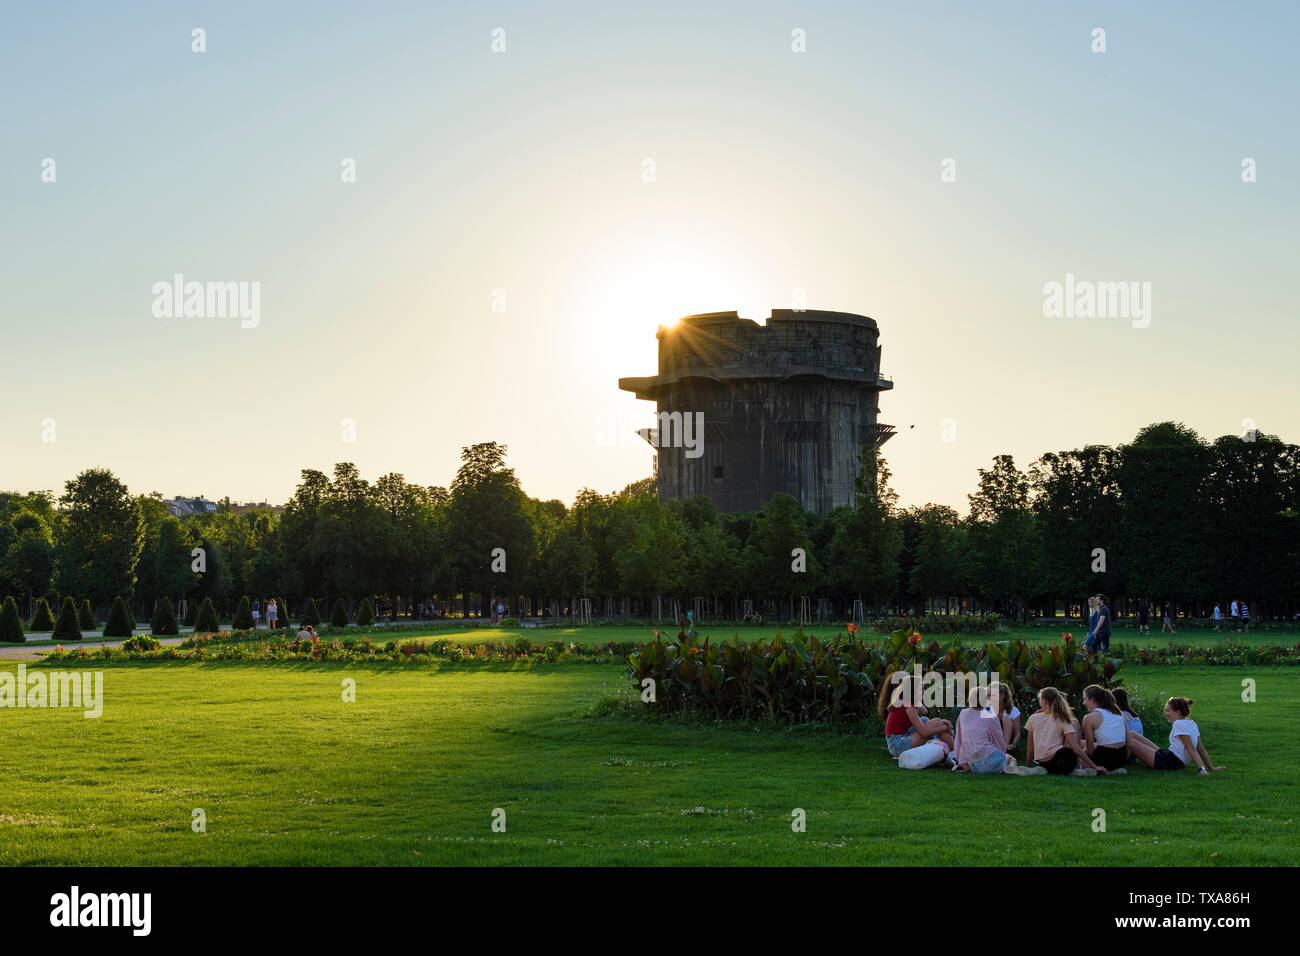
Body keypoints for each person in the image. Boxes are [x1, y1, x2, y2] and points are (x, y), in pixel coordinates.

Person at [1127, 697, 1224, 773]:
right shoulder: (1192, 723)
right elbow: (1201, 749)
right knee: (1131, 734)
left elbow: (1191, 748)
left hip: (1171, 762)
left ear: (1177, 712)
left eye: (1168, 711)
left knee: (1129, 739)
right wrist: (1212, 768)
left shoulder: (1179, 724)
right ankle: (1128, 760)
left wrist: (1202, 770)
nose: (1166, 714)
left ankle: (1120, 764)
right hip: (1169, 756)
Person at [1025, 687, 1105, 776]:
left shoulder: (1033, 718)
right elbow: (1076, 748)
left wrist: (1027, 766)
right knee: (1069, 749)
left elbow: (1030, 748)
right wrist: (1095, 766)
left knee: (1063, 753)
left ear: (1044, 702)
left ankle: (1043, 770)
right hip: (1061, 761)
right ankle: (1076, 768)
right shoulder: (1062, 718)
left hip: (1043, 763)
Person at [879, 672, 955, 759]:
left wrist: (943, 725)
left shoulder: (907, 702)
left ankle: (954, 752)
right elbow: (924, 733)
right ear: (913, 691)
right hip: (898, 745)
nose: (924, 691)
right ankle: (956, 753)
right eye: (921, 689)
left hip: (900, 740)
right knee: (938, 723)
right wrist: (944, 727)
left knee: (936, 721)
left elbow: (925, 712)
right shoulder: (908, 707)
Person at [953, 685, 1009, 774]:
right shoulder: (989, 713)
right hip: (990, 762)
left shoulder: (963, 713)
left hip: (970, 761)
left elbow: (959, 738)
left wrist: (959, 759)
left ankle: (971, 768)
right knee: (1007, 758)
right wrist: (1002, 753)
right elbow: (998, 739)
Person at [1080, 685, 1129, 773]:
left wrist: (1079, 756)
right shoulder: (1118, 714)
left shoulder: (1089, 718)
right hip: (1121, 757)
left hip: (1103, 757)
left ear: (1093, 700)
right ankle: (1113, 769)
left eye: (1085, 699)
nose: (1083, 703)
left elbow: (1090, 750)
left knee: (1076, 762)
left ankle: (1097, 769)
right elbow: (1130, 744)